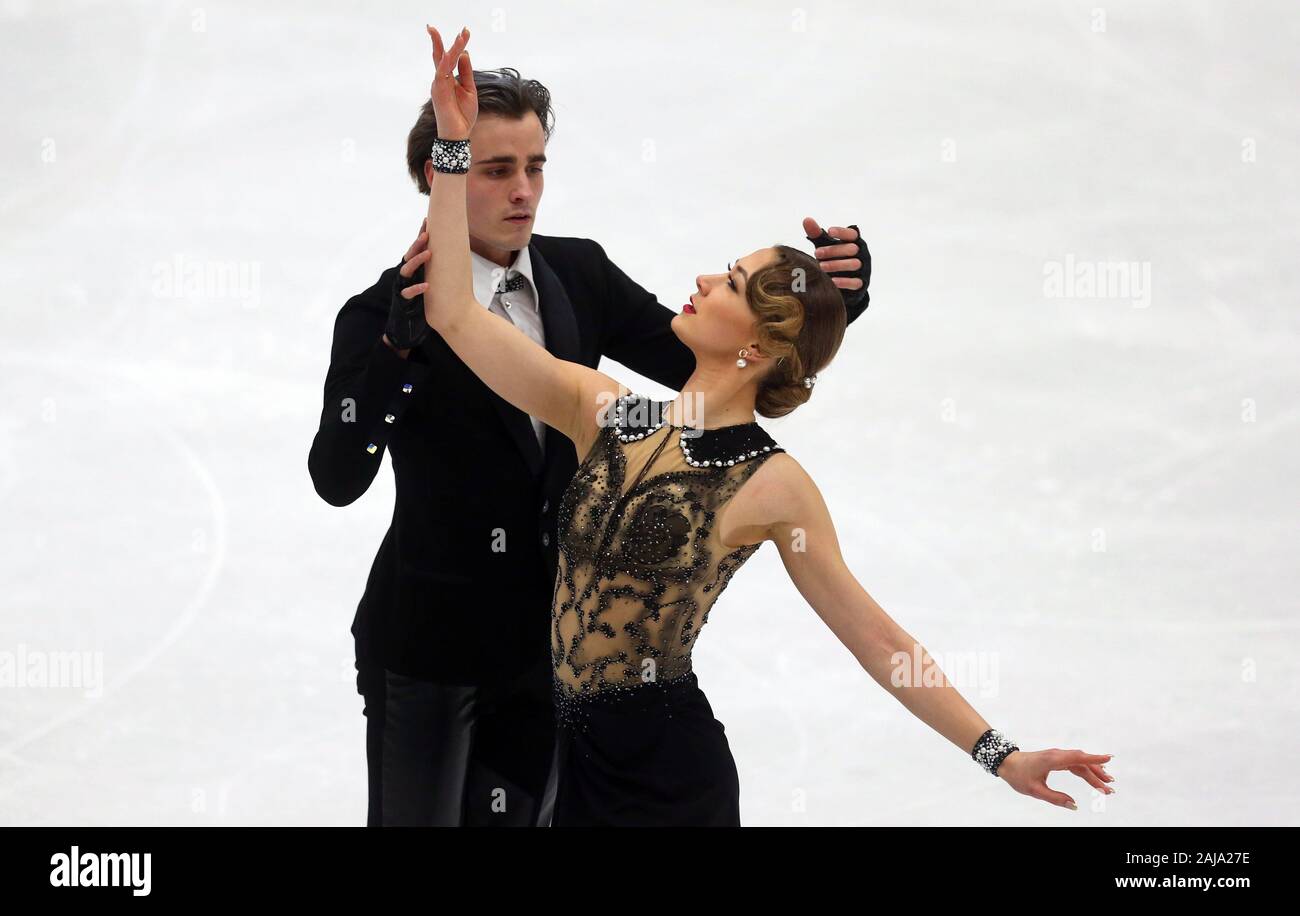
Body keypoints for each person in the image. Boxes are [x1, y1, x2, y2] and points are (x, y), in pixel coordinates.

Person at [415, 24, 1114, 826]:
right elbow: (453, 310)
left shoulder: (773, 484)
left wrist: (1003, 755)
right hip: (575, 762)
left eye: (733, 282)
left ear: (754, 343)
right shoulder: (602, 410)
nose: (706, 278)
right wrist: (453, 147)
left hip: (670, 775)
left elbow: (874, 636)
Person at [308, 62, 872, 822]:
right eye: (497, 169)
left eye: (535, 167)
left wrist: (827, 304)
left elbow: (716, 374)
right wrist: (394, 357)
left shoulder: (580, 273)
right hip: (429, 649)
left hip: (551, 653)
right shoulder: (378, 311)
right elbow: (338, 476)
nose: (523, 192)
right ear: (436, 173)